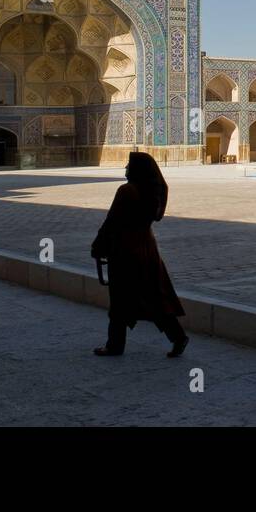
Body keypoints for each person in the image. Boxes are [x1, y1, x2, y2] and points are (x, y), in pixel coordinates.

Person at [91, 152, 189, 358]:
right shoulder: (152, 192)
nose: (125, 169)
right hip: (147, 249)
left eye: (128, 165)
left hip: (126, 251)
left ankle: (114, 345)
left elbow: (112, 222)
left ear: (137, 170)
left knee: (119, 300)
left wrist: (98, 245)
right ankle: (178, 336)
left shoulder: (127, 190)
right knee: (154, 297)